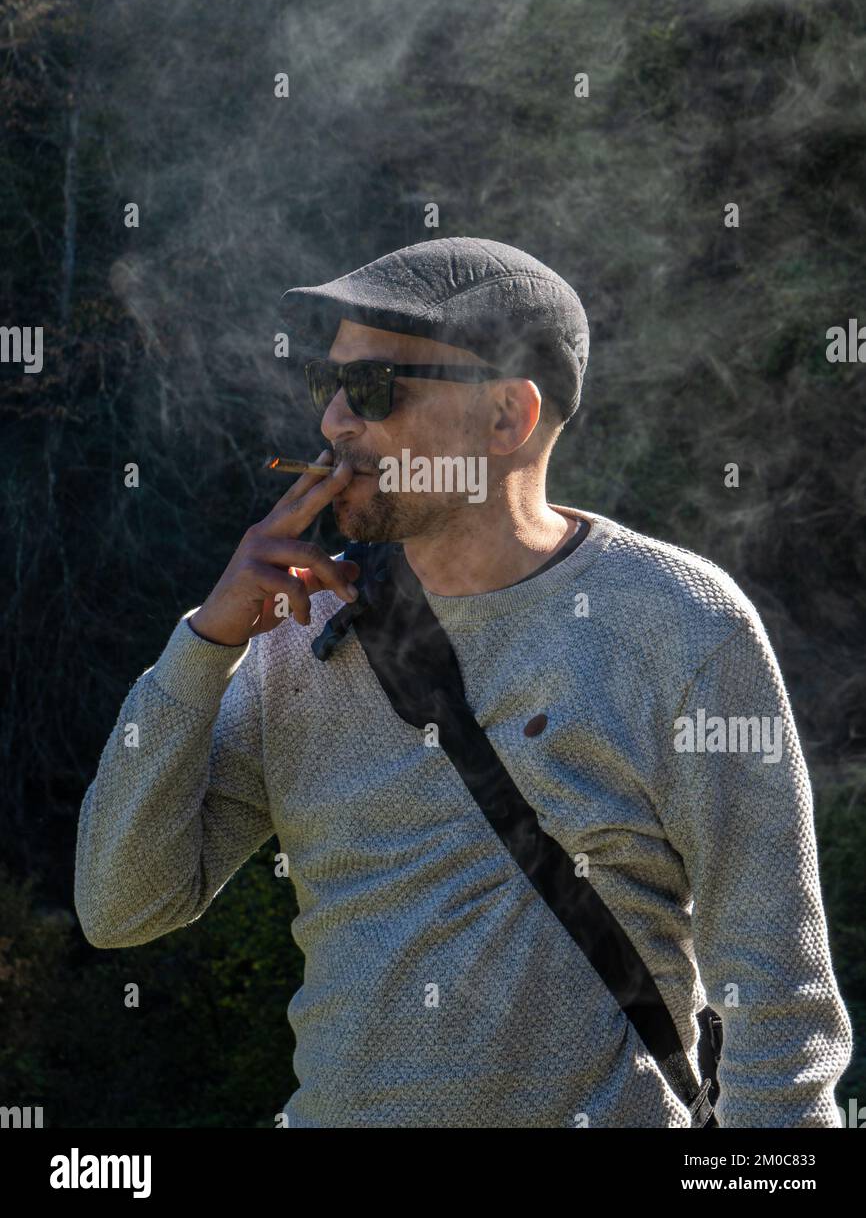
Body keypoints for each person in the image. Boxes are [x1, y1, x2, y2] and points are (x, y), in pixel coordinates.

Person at [74, 235, 853, 1128]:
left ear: (507, 418)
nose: (333, 422)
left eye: (372, 390)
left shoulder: (681, 624)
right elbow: (120, 906)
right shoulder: (298, 632)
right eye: (323, 387)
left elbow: (779, 1000)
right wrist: (204, 647)